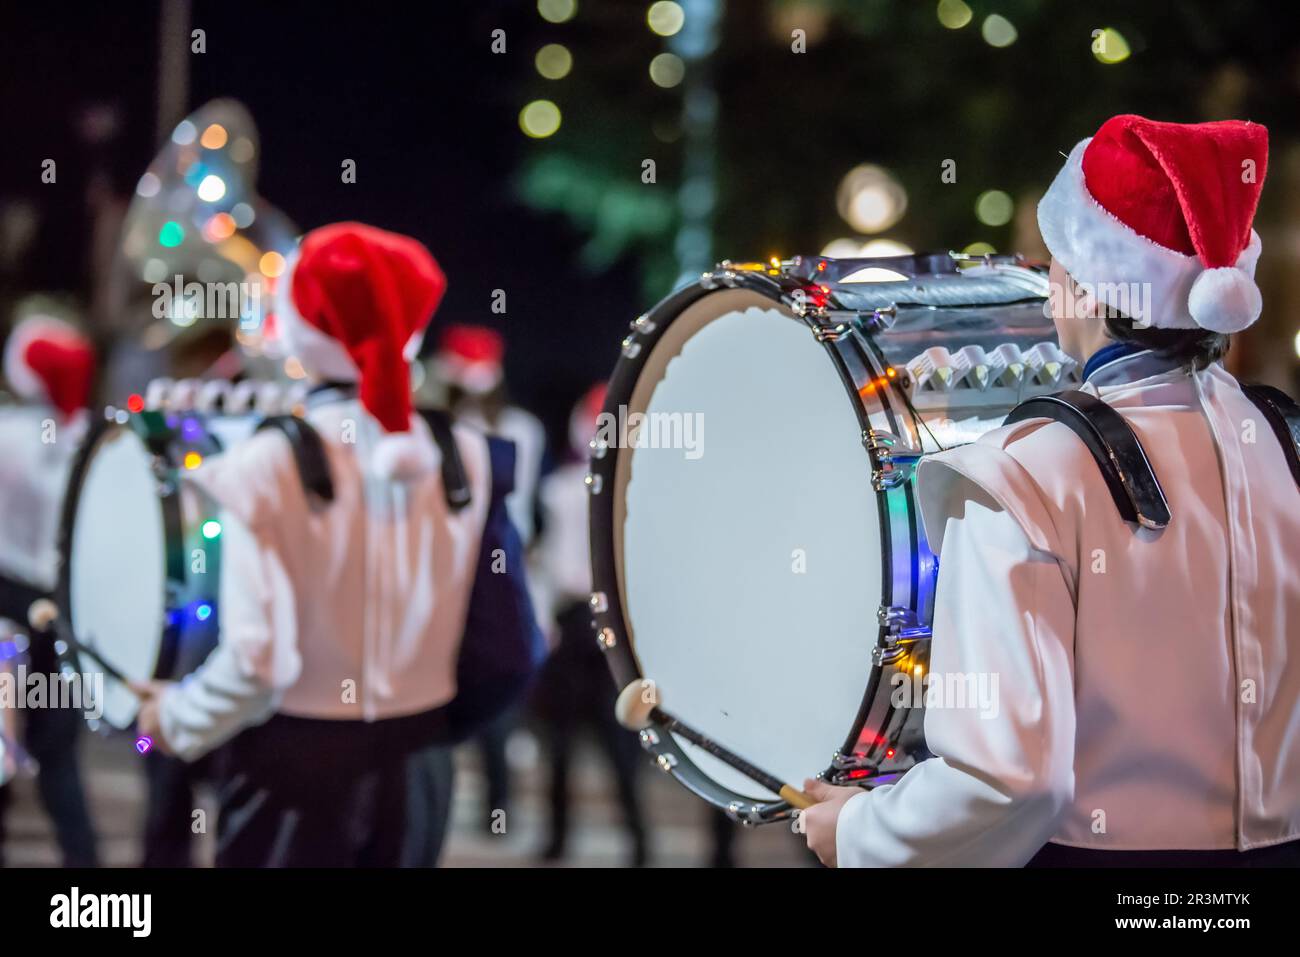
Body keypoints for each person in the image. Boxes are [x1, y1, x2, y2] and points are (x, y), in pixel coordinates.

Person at [804, 114, 1300, 867]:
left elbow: (1007, 779)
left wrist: (860, 831)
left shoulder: (1023, 473)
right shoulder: (1285, 442)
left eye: (1059, 263)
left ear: (1091, 283)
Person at [133, 222, 544, 867]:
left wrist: (177, 720)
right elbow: (512, 650)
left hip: (293, 777)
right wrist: (428, 728)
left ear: (300, 324)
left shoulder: (263, 459)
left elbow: (257, 662)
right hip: (419, 774)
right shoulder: (472, 455)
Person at [430, 324, 547, 831]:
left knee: (481, 685)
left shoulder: (479, 429)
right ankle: (491, 805)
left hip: (480, 563)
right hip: (488, 565)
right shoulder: (512, 425)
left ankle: (494, 806)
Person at [531, 384, 648, 866]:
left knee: (608, 740)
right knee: (566, 742)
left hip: (595, 619)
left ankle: (634, 842)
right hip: (582, 618)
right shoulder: (565, 487)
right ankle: (576, 839)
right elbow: (548, 563)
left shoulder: (630, 490)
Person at [0, 310, 99, 867]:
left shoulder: (7, 434)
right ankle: (89, 884)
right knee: (60, 761)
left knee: (1, 754)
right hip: (64, 615)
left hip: (7, 610)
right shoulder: (89, 438)